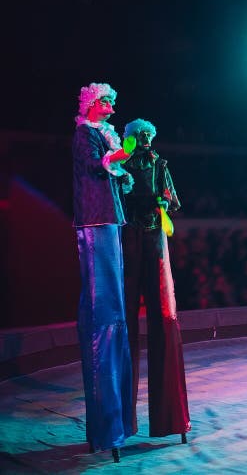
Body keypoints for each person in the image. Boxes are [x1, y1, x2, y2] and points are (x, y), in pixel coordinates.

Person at [72, 82, 136, 462]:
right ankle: (107, 422)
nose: (113, 108)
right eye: (108, 102)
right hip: (94, 223)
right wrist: (120, 157)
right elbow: (97, 167)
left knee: (114, 310)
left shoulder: (104, 134)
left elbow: (113, 172)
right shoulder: (84, 134)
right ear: (94, 104)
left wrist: (124, 162)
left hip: (109, 221)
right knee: (103, 311)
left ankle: (117, 422)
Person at [121, 118, 191, 442]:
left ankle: (168, 419)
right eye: (140, 135)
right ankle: (121, 421)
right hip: (128, 240)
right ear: (131, 138)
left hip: (153, 241)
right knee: (125, 325)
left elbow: (172, 200)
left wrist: (163, 204)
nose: (146, 139)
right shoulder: (121, 164)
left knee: (163, 320)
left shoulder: (160, 164)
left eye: (150, 134)